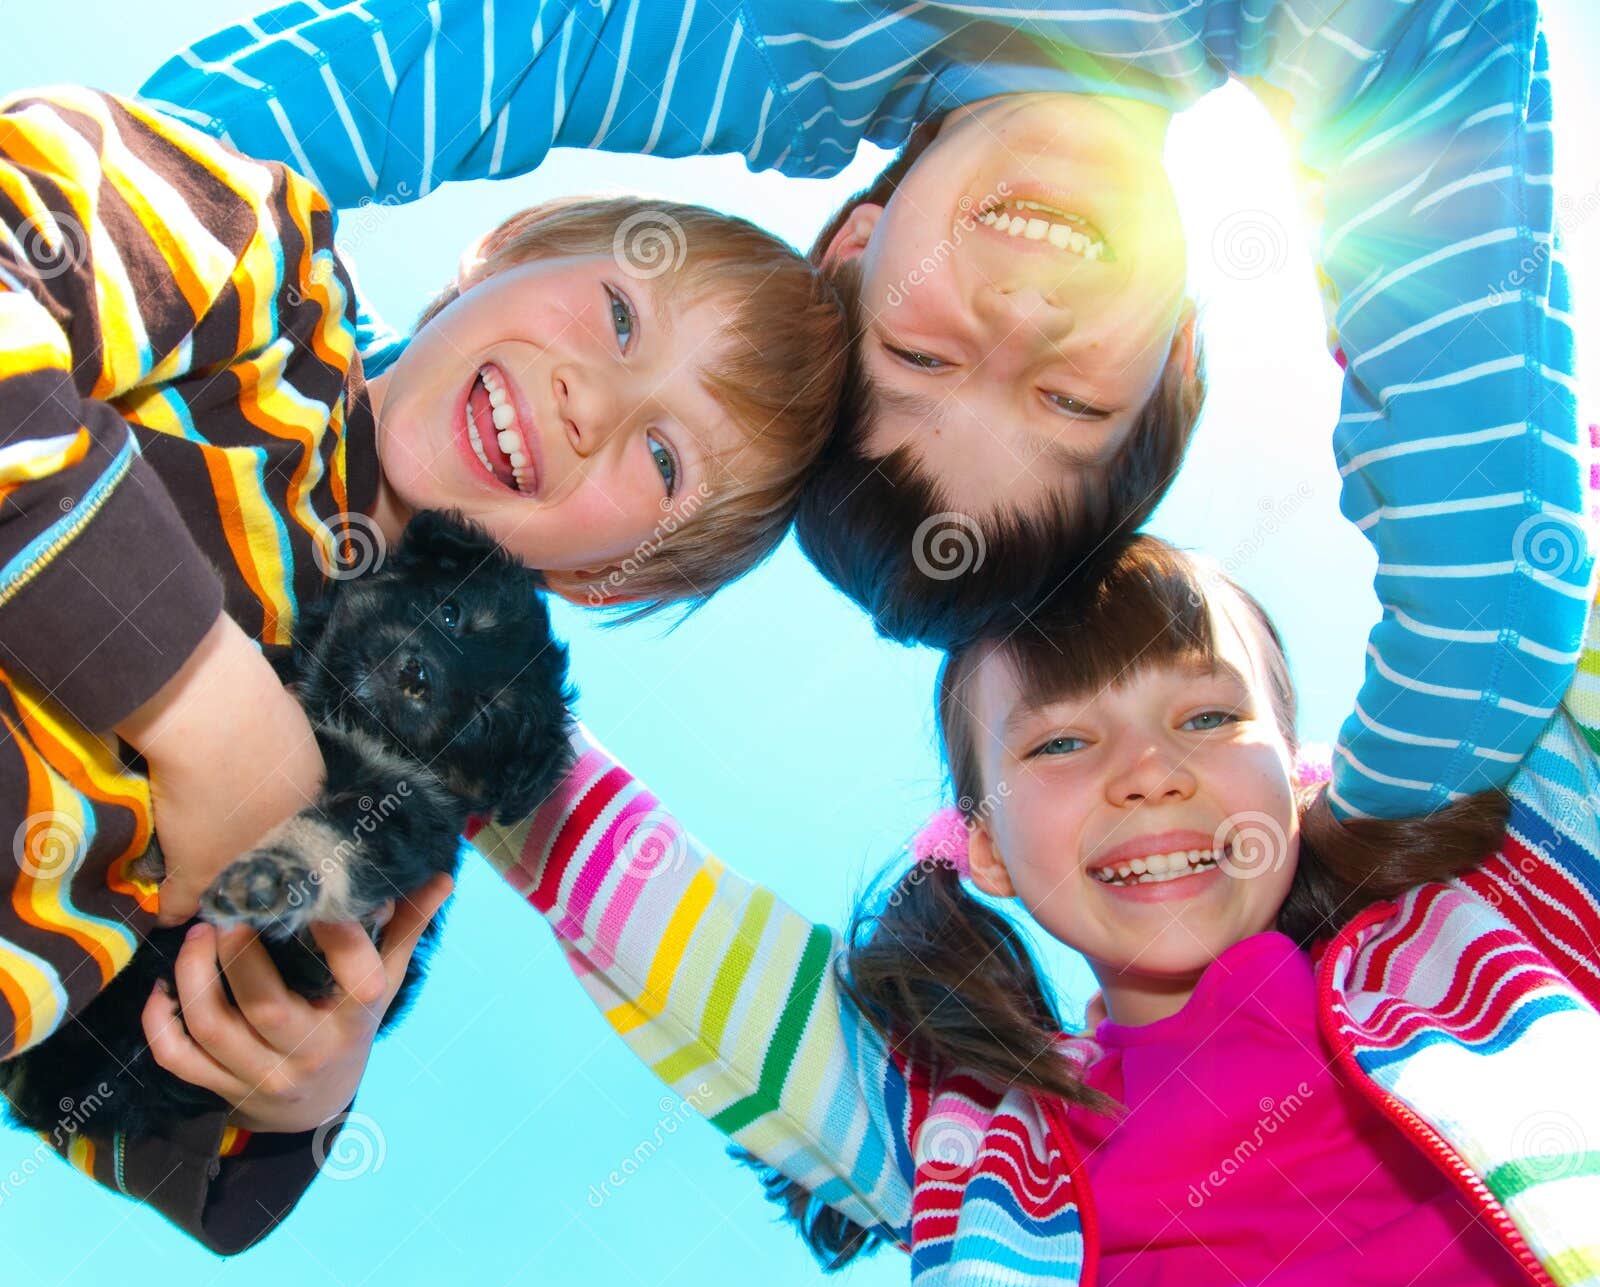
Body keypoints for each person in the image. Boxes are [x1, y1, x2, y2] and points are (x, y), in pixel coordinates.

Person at [141, 0, 1591, 824]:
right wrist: (1317, 837)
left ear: (851, 250)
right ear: (1176, 343)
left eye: (923, 355)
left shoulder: (811, 41)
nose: (1019, 322)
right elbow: (1501, 615)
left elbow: (361, 84)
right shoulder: (1376, 56)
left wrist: (325, 457)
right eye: (1075, 397)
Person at [0, 85, 846, 1246]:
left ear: (613, 576)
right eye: (616, 312)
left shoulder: (409, 782)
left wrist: (295, 1093)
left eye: (661, 456)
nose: (591, 402)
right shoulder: (257, 266)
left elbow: (122, 1126)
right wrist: (196, 697)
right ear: (504, 249)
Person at [466, 533, 1600, 1287]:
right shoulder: (971, 1137)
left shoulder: (1499, 922)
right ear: (988, 852)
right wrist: (448, 667)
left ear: (1296, 778)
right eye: (1059, 744)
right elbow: (654, 912)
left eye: (1206, 717)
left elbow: (1543, 541)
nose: (1147, 771)